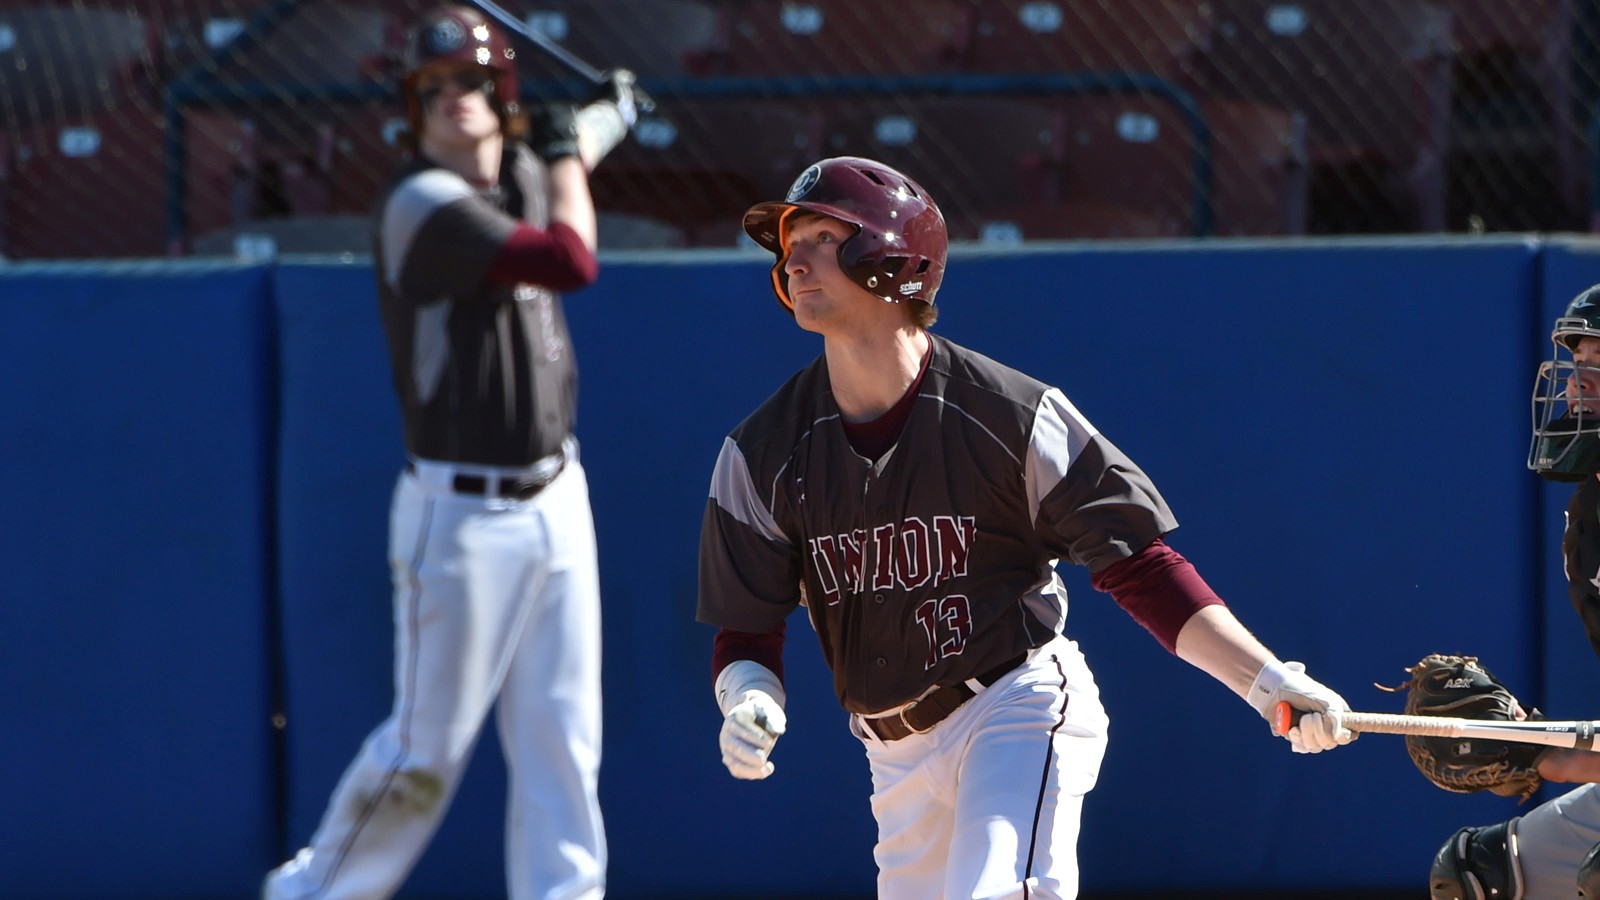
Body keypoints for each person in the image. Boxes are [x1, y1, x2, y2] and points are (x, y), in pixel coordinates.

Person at [695, 155, 1356, 900]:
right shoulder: (761, 453)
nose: (794, 256)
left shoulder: (1009, 414)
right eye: (789, 242)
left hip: (1014, 705)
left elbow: (1138, 567)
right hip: (893, 756)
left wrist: (1268, 682)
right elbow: (746, 634)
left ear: (893, 257)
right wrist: (750, 698)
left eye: (821, 233)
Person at [263, 6, 637, 899]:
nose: (451, 100)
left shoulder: (521, 169)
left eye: (469, 82)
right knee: (422, 752)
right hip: (461, 518)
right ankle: (313, 893)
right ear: (413, 107)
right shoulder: (419, 202)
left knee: (564, 739)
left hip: (557, 494)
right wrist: (568, 149)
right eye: (433, 89)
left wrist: (604, 116)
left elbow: (568, 149)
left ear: (499, 92)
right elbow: (568, 260)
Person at [1426, 284, 1600, 899]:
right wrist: (1527, 751)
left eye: (1596, 366)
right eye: (1577, 365)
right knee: (1478, 875)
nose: (1578, 384)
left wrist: (1547, 757)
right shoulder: (1591, 519)